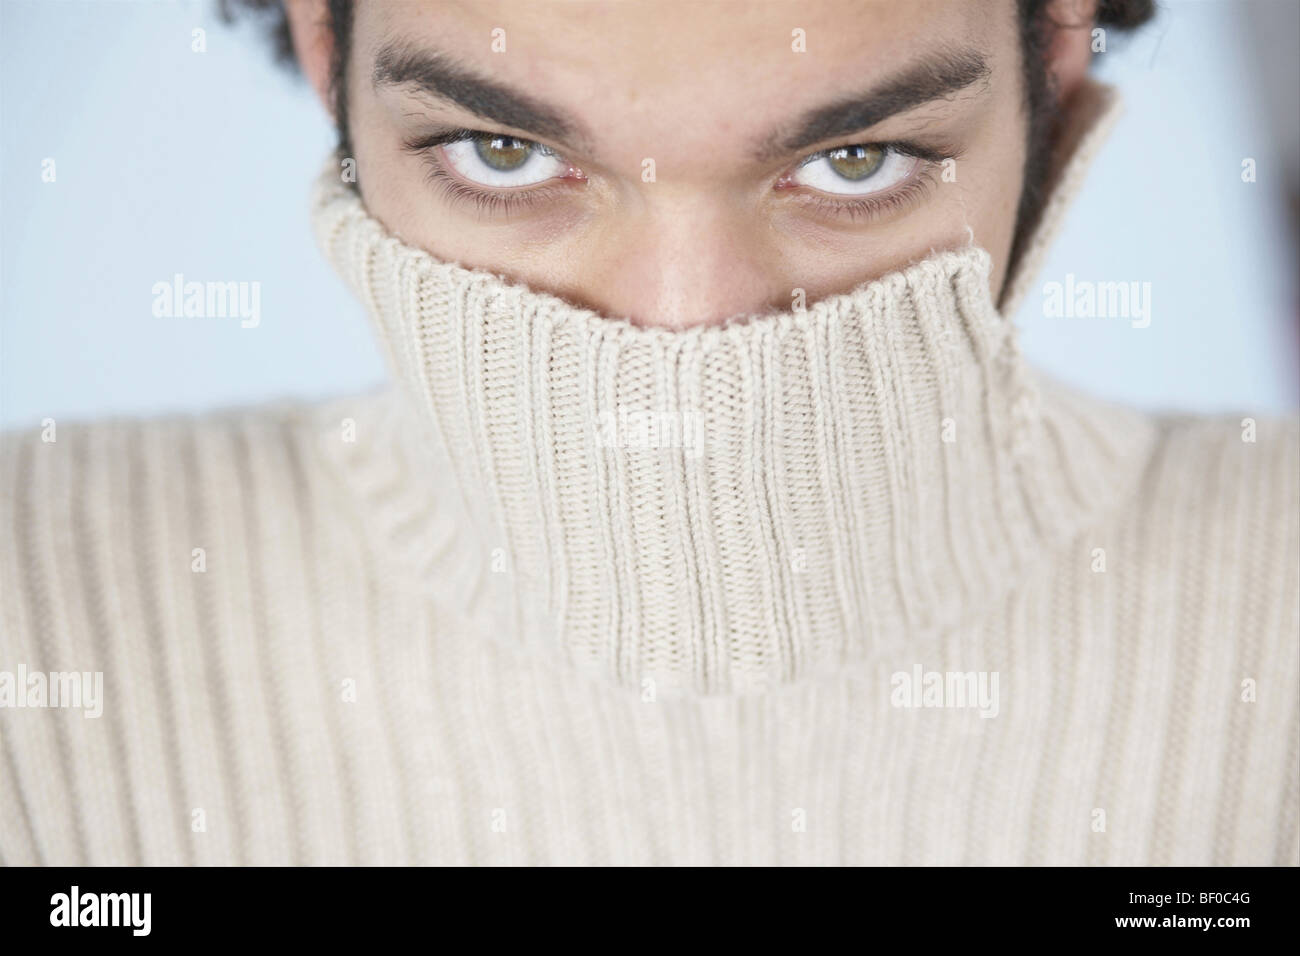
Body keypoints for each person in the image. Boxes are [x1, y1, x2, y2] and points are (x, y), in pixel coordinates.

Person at [1, 0, 1295, 866]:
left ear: (1052, 62)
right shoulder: (33, 609)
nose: (684, 339)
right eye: (501, 153)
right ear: (331, 54)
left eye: (859, 161)